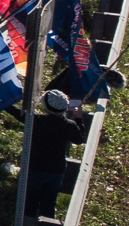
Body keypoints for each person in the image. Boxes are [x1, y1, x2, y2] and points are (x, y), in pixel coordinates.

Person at [15, 90, 85, 218]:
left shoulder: (36, 120)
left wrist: (29, 107)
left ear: (46, 107)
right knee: (49, 204)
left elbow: (16, 113)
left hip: (36, 168)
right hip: (56, 171)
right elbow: (79, 139)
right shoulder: (69, 125)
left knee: (30, 203)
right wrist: (79, 119)